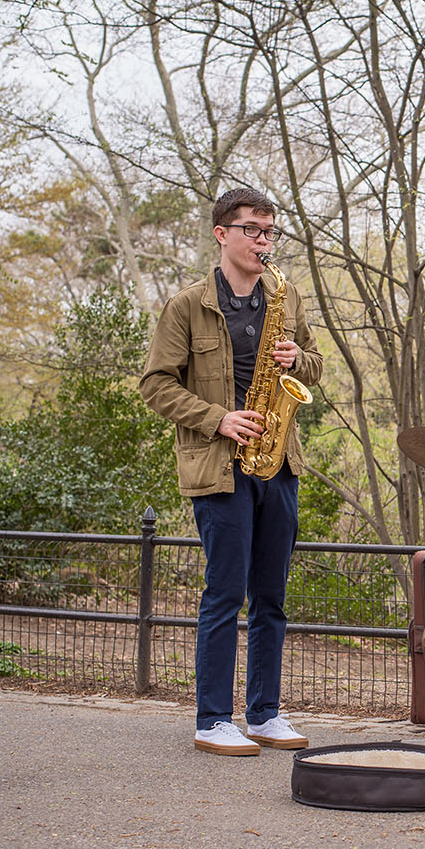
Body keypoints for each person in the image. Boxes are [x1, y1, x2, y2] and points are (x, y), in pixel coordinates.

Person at [140, 187, 323, 757]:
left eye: (270, 231)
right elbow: (155, 385)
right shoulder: (186, 305)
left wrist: (299, 361)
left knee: (272, 595)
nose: (263, 240)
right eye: (252, 230)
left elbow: (315, 366)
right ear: (222, 234)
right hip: (220, 466)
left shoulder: (285, 299)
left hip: (278, 462)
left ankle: (264, 713)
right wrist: (219, 419)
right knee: (224, 594)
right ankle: (213, 719)